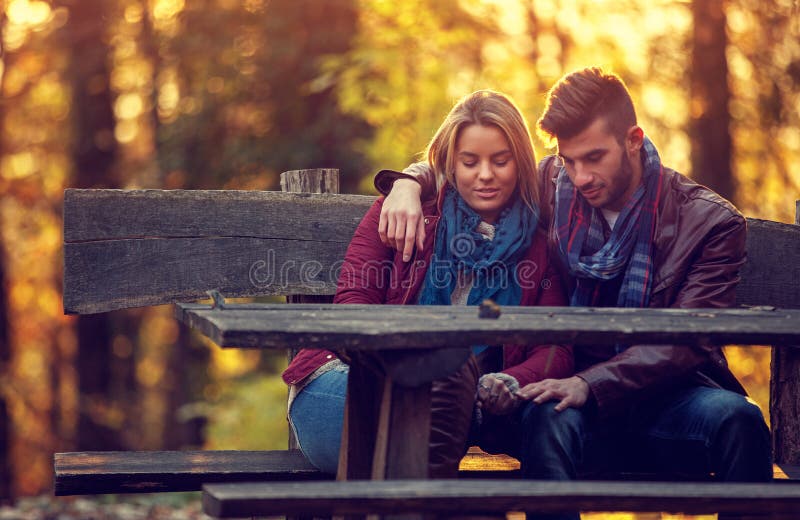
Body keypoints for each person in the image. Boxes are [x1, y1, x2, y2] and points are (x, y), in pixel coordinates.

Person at [374, 68, 772, 519]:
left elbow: (685, 342)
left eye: (594, 157)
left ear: (634, 139)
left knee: (740, 419)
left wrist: (590, 384)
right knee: (548, 415)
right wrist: (408, 182)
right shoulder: (550, 185)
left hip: (669, 399)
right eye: (569, 160)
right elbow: (470, 164)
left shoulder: (711, 223)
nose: (581, 177)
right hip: (565, 398)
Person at [282, 90, 572, 478]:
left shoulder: (537, 244)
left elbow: (554, 344)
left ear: (519, 162)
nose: (485, 175)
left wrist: (508, 381)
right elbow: (353, 303)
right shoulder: (407, 209)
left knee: (436, 418)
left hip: (457, 405)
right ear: (451, 163)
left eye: (500, 161)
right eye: (470, 162)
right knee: (415, 427)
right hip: (346, 381)